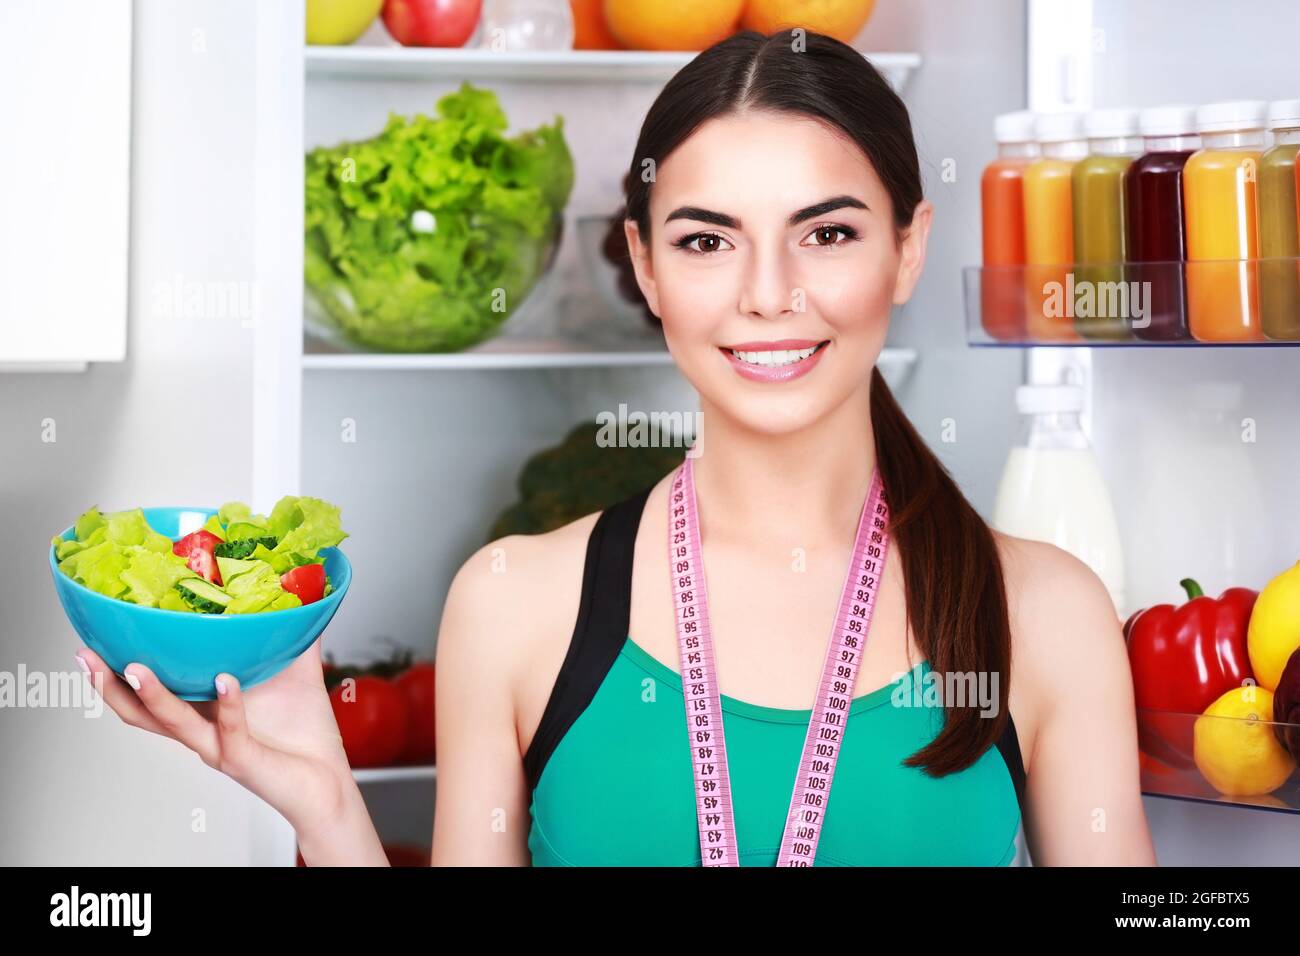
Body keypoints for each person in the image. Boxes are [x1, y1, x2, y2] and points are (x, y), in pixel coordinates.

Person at [78, 29, 1155, 867]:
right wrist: (324, 795)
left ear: (908, 248)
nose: (767, 293)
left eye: (827, 233)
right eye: (706, 239)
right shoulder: (512, 603)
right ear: (643, 265)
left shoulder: (1045, 617)